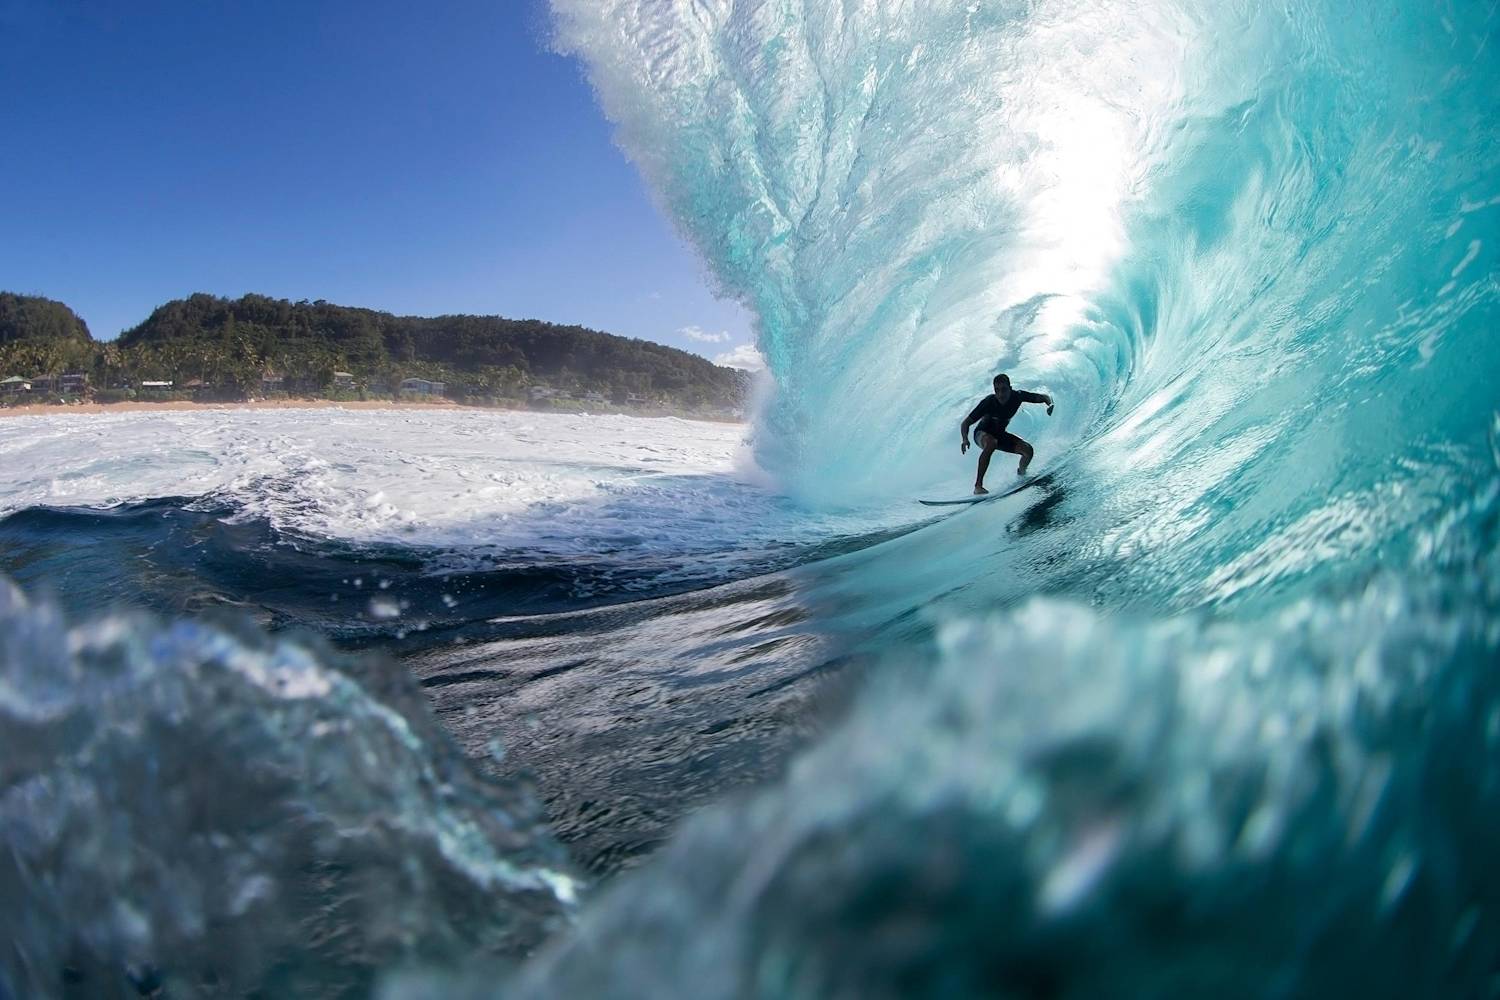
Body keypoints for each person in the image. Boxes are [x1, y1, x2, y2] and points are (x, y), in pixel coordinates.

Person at [960, 374, 1054, 494]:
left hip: (1000, 435)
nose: (1000, 394)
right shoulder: (988, 402)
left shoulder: (1018, 396)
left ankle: (1021, 474)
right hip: (981, 434)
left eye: (1003, 389)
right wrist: (964, 439)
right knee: (991, 443)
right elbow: (965, 423)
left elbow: (1043, 397)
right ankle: (978, 486)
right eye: (997, 390)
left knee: (1028, 450)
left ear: (1010, 388)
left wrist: (1050, 405)